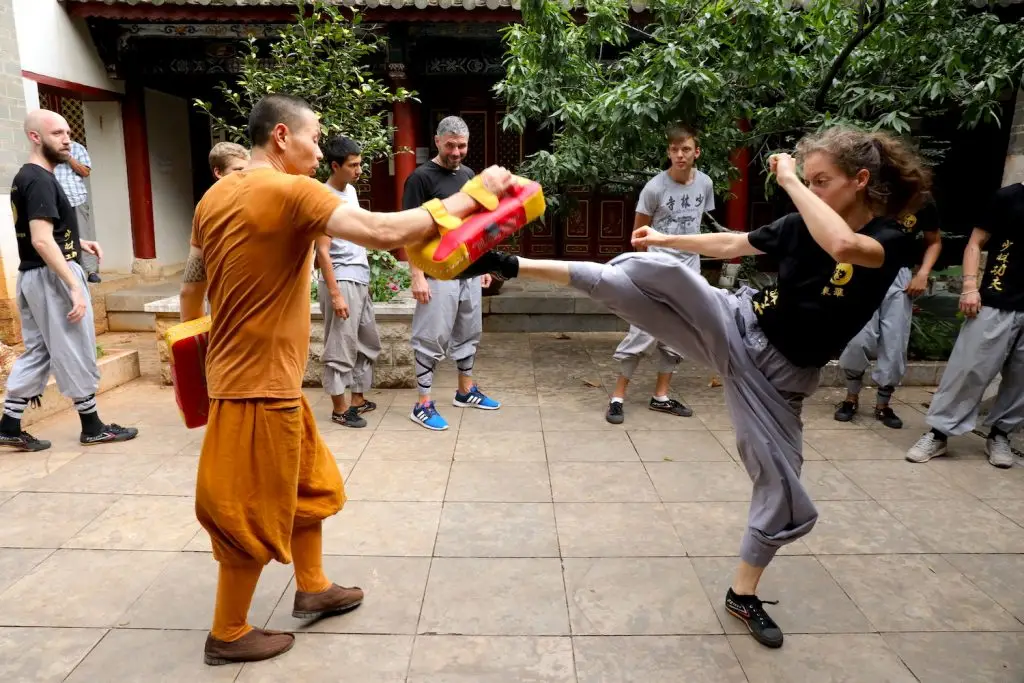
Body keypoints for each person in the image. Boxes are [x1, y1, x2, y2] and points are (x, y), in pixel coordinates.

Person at [462, 125, 929, 649]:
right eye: (810, 180)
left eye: (824, 181)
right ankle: (504, 263)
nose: (813, 189)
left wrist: (793, 179)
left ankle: (742, 594)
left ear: (860, 180)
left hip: (780, 379)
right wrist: (666, 239)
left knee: (783, 489)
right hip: (739, 326)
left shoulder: (890, 237)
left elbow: (845, 244)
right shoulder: (800, 224)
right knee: (649, 276)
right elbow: (733, 243)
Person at [178, 93, 514, 666]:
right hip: (256, 385)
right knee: (248, 508)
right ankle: (228, 630)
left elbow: (193, 282)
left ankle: (312, 586)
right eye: (315, 136)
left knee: (307, 488)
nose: (320, 146)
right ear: (282, 137)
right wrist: (473, 195)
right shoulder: (291, 190)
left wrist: (193, 348)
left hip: (261, 379)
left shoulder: (215, 197)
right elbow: (383, 231)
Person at [0, 111, 138, 451]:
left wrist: (77, 243)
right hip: (52, 278)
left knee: (38, 352)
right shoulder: (41, 180)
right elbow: (42, 239)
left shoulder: (28, 177)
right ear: (35, 137)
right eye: (58, 133)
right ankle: (92, 427)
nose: (67, 140)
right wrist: (74, 286)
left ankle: (8, 424)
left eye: (68, 132)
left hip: (34, 275)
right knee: (75, 348)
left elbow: (48, 236)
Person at [905, 181, 1024, 469]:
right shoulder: (1009, 197)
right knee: (969, 368)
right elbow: (975, 242)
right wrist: (970, 286)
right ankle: (939, 432)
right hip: (998, 299)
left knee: (1022, 379)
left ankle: (1000, 434)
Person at [606, 123, 714, 425]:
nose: (680, 155)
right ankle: (617, 397)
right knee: (642, 329)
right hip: (656, 269)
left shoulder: (704, 184)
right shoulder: (654, 188)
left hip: (688, 269)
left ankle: (661, 397)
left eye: (686, 149)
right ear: (669, 152)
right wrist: (642, 274)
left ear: (696, 152)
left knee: (677, 333)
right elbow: (638, 235)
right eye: (675, 150)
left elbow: (697, 225)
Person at [404, 115, 498, 431]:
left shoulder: (470, 175)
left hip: (468, 271)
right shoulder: (420, 178)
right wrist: (417, 276)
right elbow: (411, 232)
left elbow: (475, 226)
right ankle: (423, 404)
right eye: (451, 145)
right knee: (430, 337)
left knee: (469, 332)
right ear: (438, 142)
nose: (456, 151)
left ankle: (465, 390)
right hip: (437, 272)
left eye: (462, 145)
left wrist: (483, 265)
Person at [835, 195, 942, 428]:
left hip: (900, 276)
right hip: (861, 270)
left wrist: (922, 273)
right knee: (857, 338)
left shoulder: (922, 200)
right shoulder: (869, 194)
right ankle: (850, 398)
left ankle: (883, 404)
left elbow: (934, 241)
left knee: (895, 341)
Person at [314, 135, 381, 428]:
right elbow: (322, 252)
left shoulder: (350, 192)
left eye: (360, 163)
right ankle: (340, 409)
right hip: (341, 279)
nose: (358, 170)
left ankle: (357, 399)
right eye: (352, 165)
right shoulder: (322, 198)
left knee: (367, 340)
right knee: (340, 346)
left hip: (359, 276)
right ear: (334, 165)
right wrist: (336, 294)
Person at [54, 137, 100, 283]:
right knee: (60, 234)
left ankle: (91, 271)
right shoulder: (49, 150)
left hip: (77, 197)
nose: (63, 138)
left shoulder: (78, 148)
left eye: (65, 133)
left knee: (83, 234)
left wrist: (68, 157)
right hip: (56, 199)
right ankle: (68, 270)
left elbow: (85, 171)